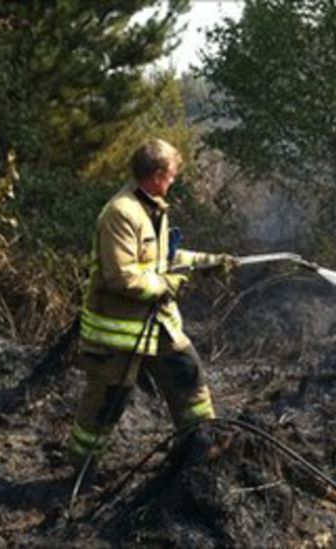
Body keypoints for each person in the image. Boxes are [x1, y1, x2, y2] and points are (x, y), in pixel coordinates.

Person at [68, 138, 236, 469]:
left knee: (188, 377)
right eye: (172, 174)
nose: (174, 180)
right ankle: (81, 468)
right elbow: (122, 277)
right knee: (106, 405)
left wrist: (209, 262)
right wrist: (168, 285)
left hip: (159, 325)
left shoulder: (152, 209)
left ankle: (201, 451)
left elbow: (164, 259)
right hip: (117, 335)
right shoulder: (121, 213)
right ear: (158, 175)